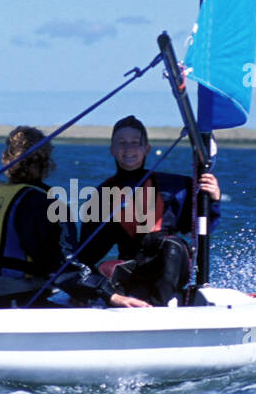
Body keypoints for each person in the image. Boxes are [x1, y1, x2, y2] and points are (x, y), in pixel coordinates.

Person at [0, 126, 149, 309]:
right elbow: (66, 266)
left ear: (7, 157)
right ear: (46, 162)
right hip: (30, 303)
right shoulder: (46, 202)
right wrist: (109, 294)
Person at [77, 115, 221, 306]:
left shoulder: (175, 186)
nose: (128, 149)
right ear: (112, 150)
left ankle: (159, 307)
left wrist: (213, 199)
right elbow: (87, 254)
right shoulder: (102, 195)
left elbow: (202, 229)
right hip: (133, 266)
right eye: (122, 143)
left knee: (172, 247)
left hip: (170, 264)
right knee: (103, 270)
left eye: (135, 143)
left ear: (147, 149)